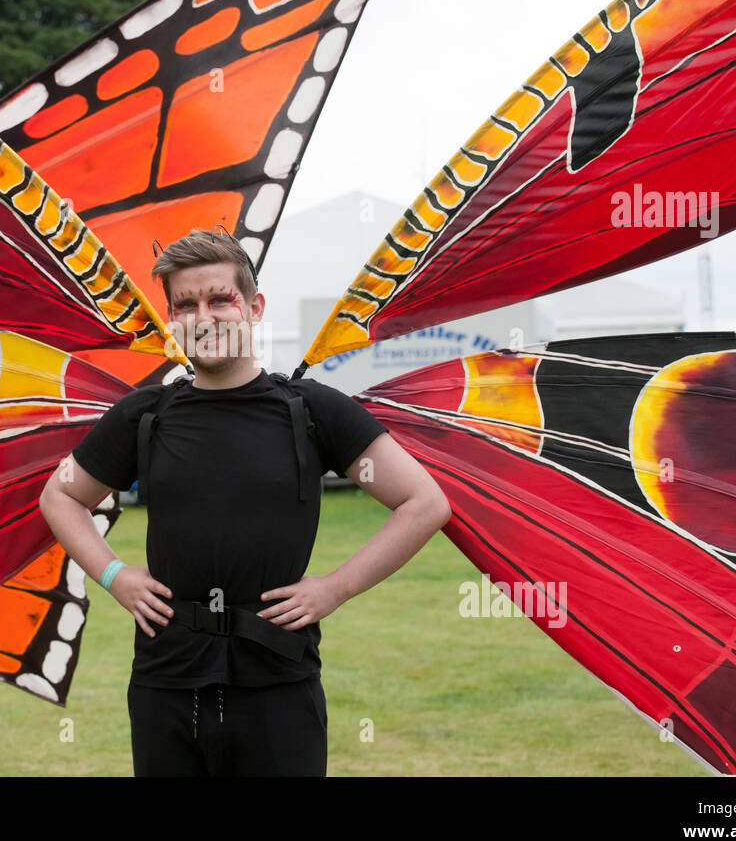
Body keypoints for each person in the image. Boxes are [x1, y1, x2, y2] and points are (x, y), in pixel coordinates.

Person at [40, 229, 450, 776]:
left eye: (219, 299)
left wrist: (337, 587)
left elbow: (424, 502)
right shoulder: (144, 416)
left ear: (254, 308)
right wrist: (114, 575)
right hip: (167, 680)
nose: (202, 316)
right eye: (184, 304)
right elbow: (61, 495)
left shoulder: (312, 411)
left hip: (278, 682)